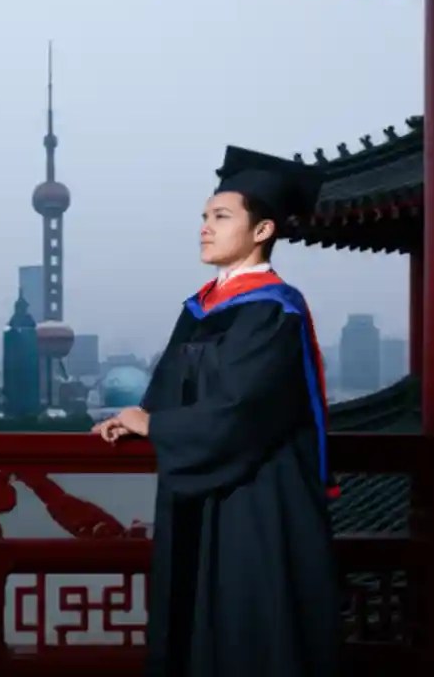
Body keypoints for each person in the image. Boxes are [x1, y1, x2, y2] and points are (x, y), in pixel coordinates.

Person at [93, 146, 340, 677]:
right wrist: (134, 418)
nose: (204, 227)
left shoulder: (275, 310)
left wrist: (156, 426)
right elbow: (171, 386)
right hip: (206, 488)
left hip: (258, 495)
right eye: (204, 216)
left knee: (249, 626)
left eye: (221, 217)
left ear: (262, 230)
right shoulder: (202, 305)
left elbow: (242, 408)